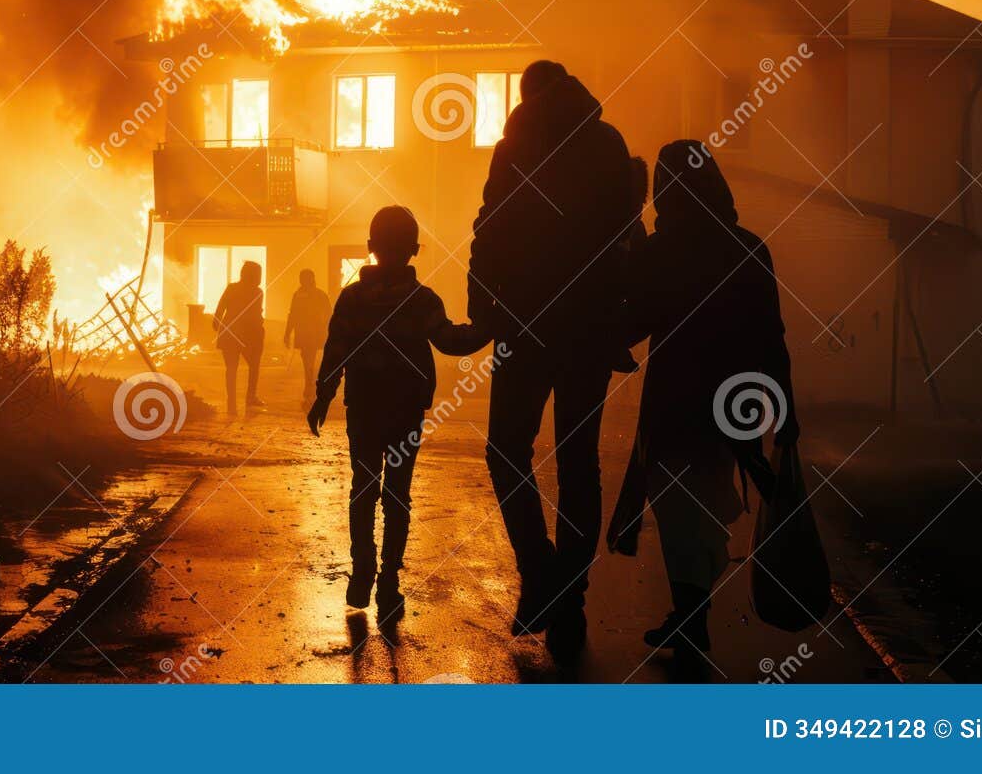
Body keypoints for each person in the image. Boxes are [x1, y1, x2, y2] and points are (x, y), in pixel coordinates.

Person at [466, 60, 640, 656]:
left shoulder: (515, 146)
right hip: (589, 328)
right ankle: (570, 599)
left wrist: (484, 311)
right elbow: (625, 236)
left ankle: (539, 571)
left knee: (505, 451)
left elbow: (489, 230)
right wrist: (621, 317)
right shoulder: (608, 142)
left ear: (526, 96)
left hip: (524, 323)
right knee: (578, 463)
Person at [623, 141, 796, 679]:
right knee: (707, 506)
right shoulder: (747, 248)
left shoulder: (661, 250)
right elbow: (771, 336)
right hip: (732, 403)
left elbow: (635, 322)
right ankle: (691, 616)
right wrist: (785, 410)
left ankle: (691, 617)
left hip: (674, 403)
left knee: (680, 514)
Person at [308, 206, 487, 622]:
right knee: (397, 495)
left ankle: (362, 573)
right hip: (406, 412)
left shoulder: (352, 299)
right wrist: (492, 326)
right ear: (415, 250)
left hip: (364, 409)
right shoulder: (422, 301)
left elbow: (336, 349)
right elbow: (451, 341)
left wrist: (323, 395)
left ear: (370, 247)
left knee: (363, 490)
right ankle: (388, 581)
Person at [213, 260, 266, 418]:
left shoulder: (232, 288)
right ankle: (250, 397)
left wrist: (217, 323)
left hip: (230, 333)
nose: (259, 277)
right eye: (258, 274)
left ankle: (232, 404)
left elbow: (220, 307)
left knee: (231, 369)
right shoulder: (257, 292)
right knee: (253, 365)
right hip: (247, 335)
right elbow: (255, 315)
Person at [284, 269, 331, 408]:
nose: (302, 281)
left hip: (310, 334)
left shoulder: (304, 295)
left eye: (304, 278)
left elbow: (328, 314)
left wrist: (287, 333)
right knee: (309, 362)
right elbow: (293, 315)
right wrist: (287, 333)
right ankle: (310, 389)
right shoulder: (316, 294)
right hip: (310, 334)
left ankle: (310, 389)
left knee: (309, 362)